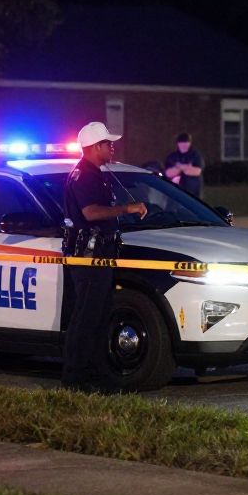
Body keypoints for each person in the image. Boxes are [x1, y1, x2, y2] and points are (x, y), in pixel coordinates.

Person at [63, 121, 147, 392]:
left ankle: (96, 375)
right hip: (88, 257)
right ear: (94, 146)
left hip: (100, 254)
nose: (113, 146)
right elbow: (91, 213)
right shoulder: (85, 175)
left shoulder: (96, 173)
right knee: (87, 317)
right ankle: (76, 378)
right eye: (108, 143)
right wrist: (127, 209)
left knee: (98, 317)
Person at [164, 133, 204, 198]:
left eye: (186, 142)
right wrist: (187, 167)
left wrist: (179, 167)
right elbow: (168, 173)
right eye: (182, 142)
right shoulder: (172, 156)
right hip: (176, 191)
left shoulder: (196, 155)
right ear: (178, 143)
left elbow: (197, 171)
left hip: (193, 192)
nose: (184, 145)